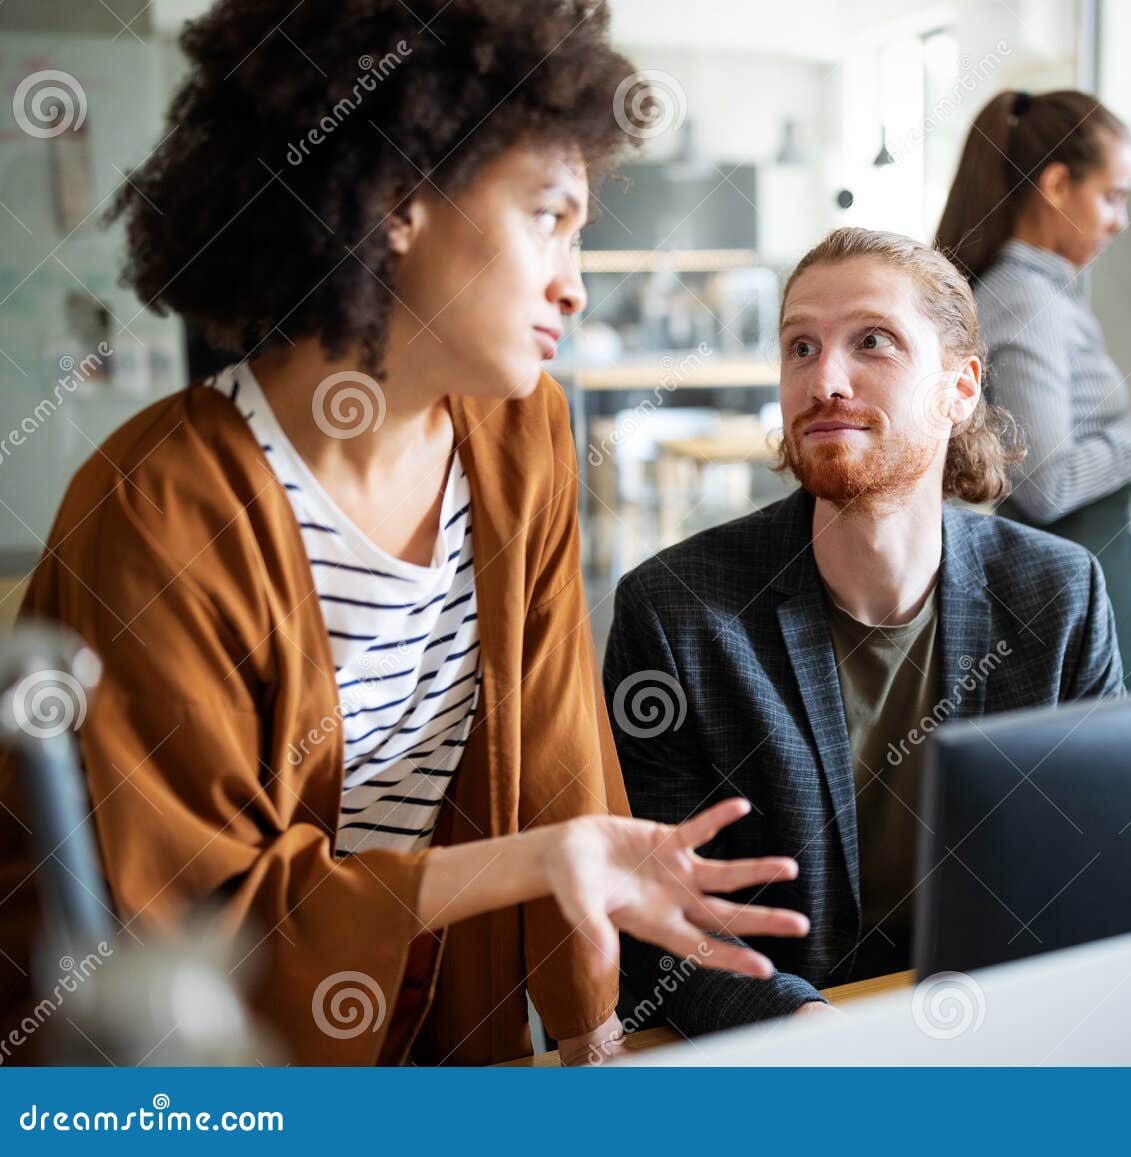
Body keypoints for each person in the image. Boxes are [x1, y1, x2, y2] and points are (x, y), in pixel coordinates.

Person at [0, 0, 809, 1067]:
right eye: (545, 216)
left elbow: (559, 753)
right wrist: (525, 865)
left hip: (427, 1026)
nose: (573, 280)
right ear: (396, 202)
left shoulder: (523, 436)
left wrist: (590, 1033)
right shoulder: (158, 501)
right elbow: (195, 919)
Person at [603, 228, 1123, 1035]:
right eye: (799, 347)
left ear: (960, 388)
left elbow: (1099, 870)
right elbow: (661, 934)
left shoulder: (1058, 595)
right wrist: (813, 1031)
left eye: (871, 342)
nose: (825, 380)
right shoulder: (676, 611)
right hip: (780, 1065)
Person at [935, 90, 1131, 683]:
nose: (1118, 219)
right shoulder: (1024, 299)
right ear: (1057, 186)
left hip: (1093, 565)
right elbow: (1048, 485)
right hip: (1072, 579)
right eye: (1111, 197)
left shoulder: (1047, 293)